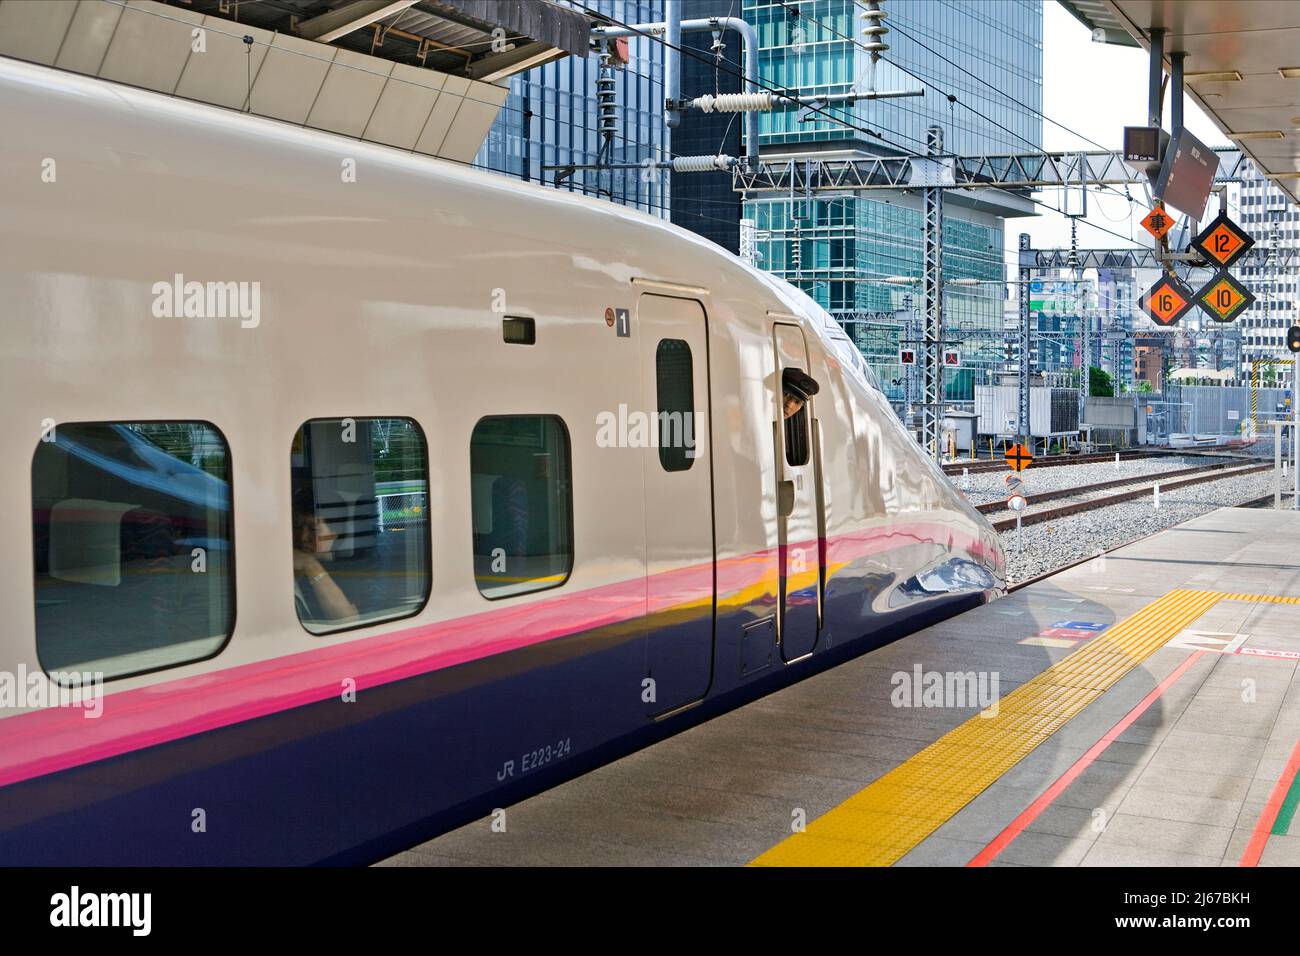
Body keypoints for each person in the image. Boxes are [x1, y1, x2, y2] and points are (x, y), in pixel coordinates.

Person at [292, 491, 359, 624]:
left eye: (313, 529)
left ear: (335, 532)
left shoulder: (355, 572)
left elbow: (346, 621)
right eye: (297, 526)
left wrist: (310, 564)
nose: (302, 537)